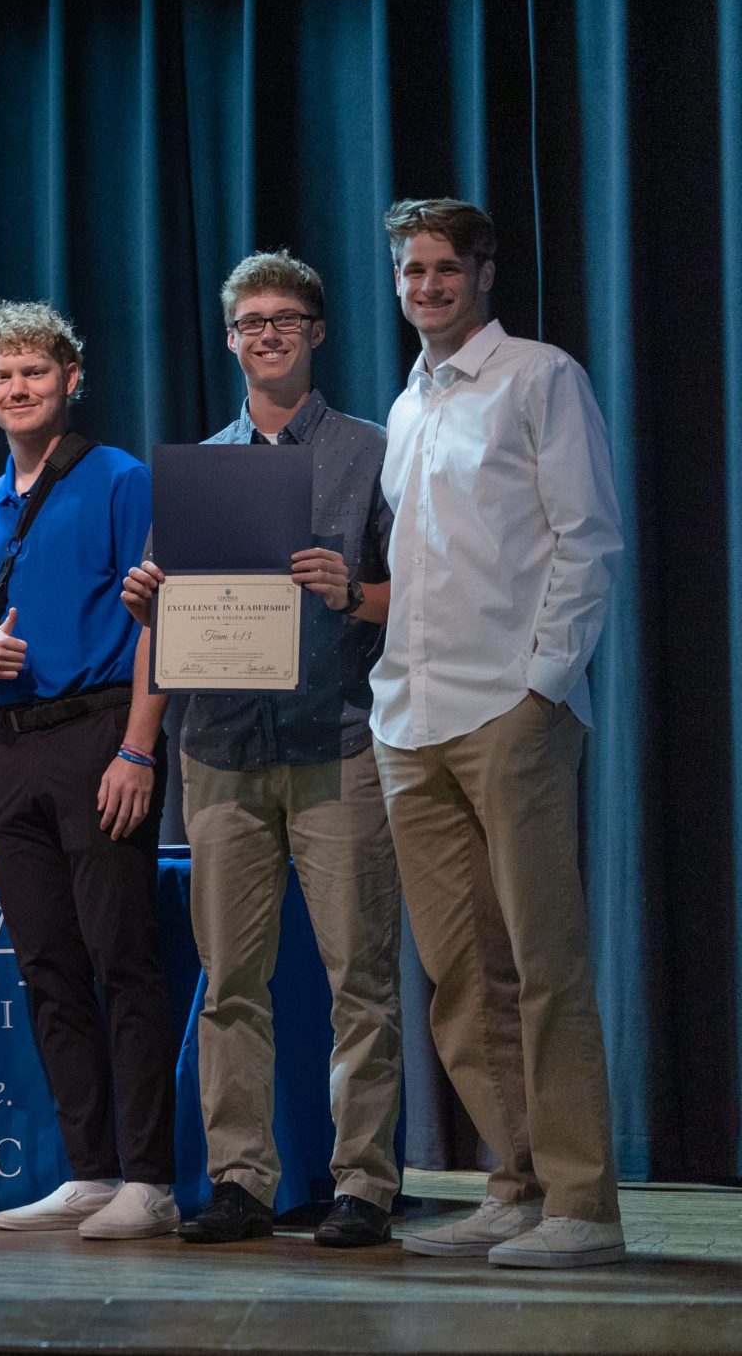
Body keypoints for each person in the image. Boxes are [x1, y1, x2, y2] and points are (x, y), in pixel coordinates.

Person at [121, 252, 403, 1248]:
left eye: (285, 318)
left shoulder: (372, 451)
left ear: (316, 333)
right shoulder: (201, 467)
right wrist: (148, 602)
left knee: (358, 975)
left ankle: (363, 1182)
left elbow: (419, 597)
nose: (267, 334)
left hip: (337, 739)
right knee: (228, 980)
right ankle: (239, 1178)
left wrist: (352, 593)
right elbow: (170, 613)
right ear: (231, 338)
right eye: (249, 321)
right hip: (221, 747)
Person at [373, 199, 626, 1268]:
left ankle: (583, 1204)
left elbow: (588, 539)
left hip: (509, 712)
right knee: (463, 973)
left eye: (444, 266)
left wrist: (541, 685)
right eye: (410, 269)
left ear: (482, 272)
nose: (426, 285)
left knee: (543, 959)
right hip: (409, 717)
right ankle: (513, 1186)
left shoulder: (538, 377)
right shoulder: (406, 405)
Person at [0, 301, 180, 1240]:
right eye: (2, 375)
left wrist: (138, 747)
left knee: (121, 956)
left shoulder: (121, 479)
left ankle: (151, 1179)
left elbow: (160, 619)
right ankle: (90, 1170)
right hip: (11, 746)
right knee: (46, 962)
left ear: (71, 379)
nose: (17, 388)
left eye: (34, 372)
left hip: (102, 734)